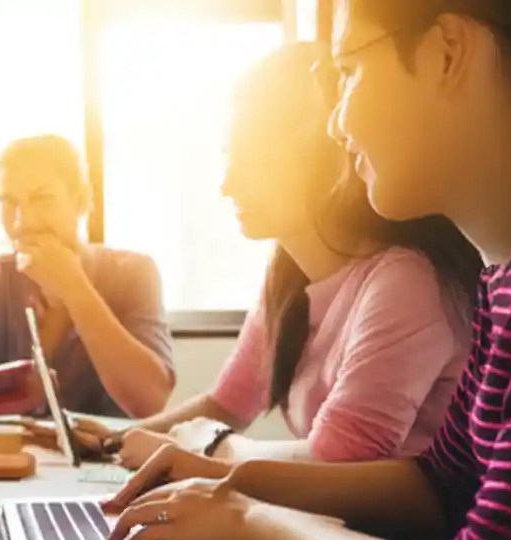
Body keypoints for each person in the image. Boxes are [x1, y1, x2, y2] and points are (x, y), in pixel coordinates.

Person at [107, 4, 511, 540]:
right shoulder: (505, 282)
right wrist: (231, 480)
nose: (335, 123)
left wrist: (252, 520)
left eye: (349, 70)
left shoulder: (433, 279)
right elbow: (440, 481)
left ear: (448, 52)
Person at [106, 43, 480, 470]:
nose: (227, 185)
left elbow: (340, 457)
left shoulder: (407, 281)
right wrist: (113, 440)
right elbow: (227, 404)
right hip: (331, 527)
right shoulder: (285, 275)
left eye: (250, 158)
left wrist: (202, 449)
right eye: (230, 157)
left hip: (400, 534)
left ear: (324, 154)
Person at [0, 135, 174, 419]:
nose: (23, 222)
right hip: (19, 458)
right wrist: (15, 390)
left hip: (115, 457)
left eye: (42, 199)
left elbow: (150, 401)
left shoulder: (132, 273)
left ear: (80, 201)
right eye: (9, 203)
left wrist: (74, 288)